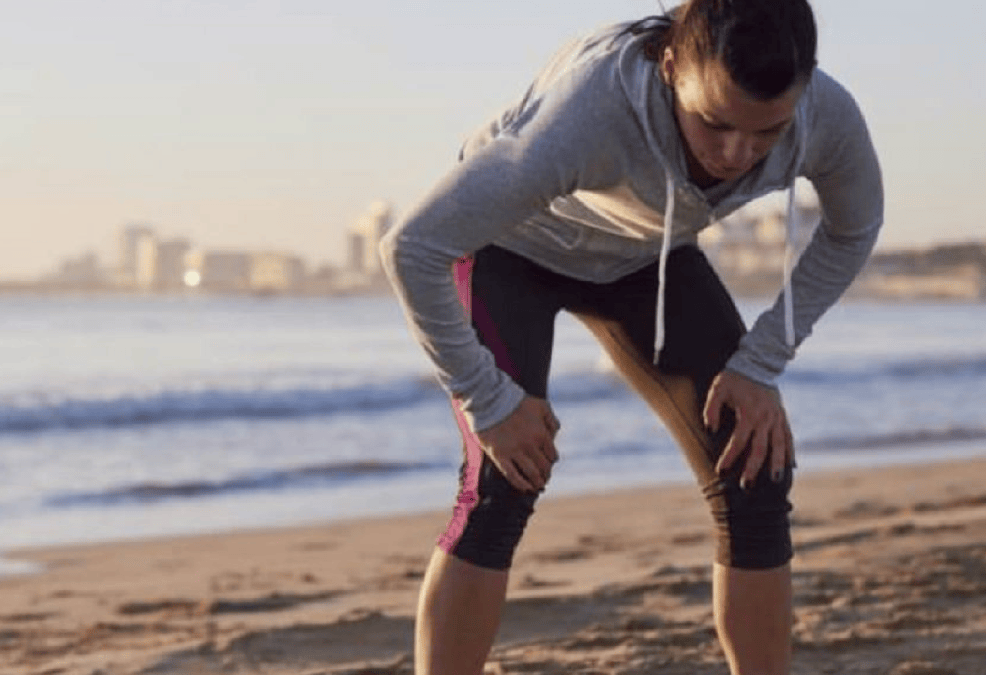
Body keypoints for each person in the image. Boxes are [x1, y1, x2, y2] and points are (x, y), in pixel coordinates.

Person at [378, 1, 883, 673]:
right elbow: (411, 247)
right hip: (510, 249)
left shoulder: (826, 115)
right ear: (671, 68)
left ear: (805, 87)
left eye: (767, 132)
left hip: (645, 257)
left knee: (753, 463)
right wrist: (489, 401)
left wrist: (760, 363)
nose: (737, 154)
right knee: (505, 480)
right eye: (714, 122)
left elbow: (853, 228)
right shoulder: (588, 113)